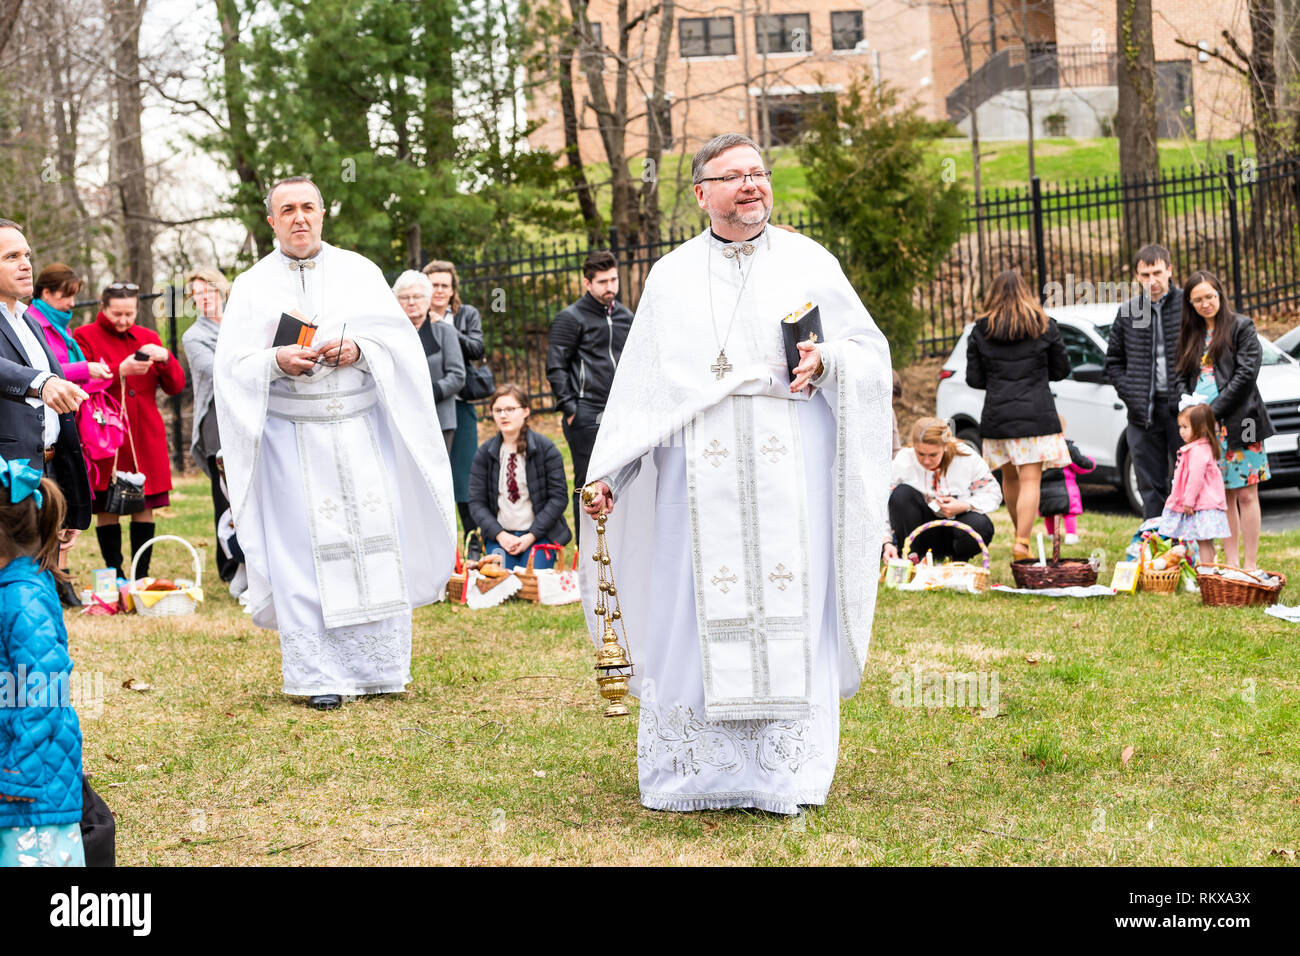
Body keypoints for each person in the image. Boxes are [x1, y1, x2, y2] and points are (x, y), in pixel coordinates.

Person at [581, 133, 892, 814]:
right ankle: (695, 773)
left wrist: (830, 361)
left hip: (793, 460)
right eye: (732, 177)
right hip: (696, 471)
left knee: (793, 601)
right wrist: (613, 471)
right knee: (691, 604)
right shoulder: (669, 276)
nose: (750, 185)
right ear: (701, 194)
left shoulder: (811, 261)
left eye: (758, 173)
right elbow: (642, 393)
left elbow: (870, 353)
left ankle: (785, 774)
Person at [215, 175, 455, 711]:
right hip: (288, 439)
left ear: (323, 213)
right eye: (287, 210)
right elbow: (229, 369)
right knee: (301, 550)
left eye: (308, 207)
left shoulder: (361, 272)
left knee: (376, 538)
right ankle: (316, 674)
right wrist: (274, 361)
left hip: (359, 434)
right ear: (271, 220)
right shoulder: (251, 286)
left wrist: (360, 349)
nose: (299, 218)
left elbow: (401, 349)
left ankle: (379, 667)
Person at [0, 221, 92, 601]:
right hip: (9, 480)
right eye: (11, 257)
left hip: (49, 476)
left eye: (27, 255)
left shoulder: (29, 320)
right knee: (13, 591)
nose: (26, 265)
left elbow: (56, 418)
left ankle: (33, 664)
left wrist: (66, 498)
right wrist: (42, 382)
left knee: (37, 594)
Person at [0, 461, 84, 867]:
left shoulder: (21, 599)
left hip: (33, 791)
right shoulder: (16, 588)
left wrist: (21, 771)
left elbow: (43, 689)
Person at [73, 282, 186, 580]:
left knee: (144, 503)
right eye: (116, 313)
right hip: (105, 433)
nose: (123, 320)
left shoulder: (148, 337)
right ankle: (115, 574)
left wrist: (164, 357)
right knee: (107, 504)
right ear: (103, 308)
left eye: (129, 313)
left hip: (145, 434)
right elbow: (81, 380)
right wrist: (118, 369)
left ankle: (140, 576)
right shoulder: (84, 336)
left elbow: (175, 385)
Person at [965, 270, 1071, 560]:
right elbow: (1062, 370)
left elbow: (973, 379)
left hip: (999, 415)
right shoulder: (1044, 325)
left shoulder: (980, 329)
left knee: (1009, 479)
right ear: (1026, 292)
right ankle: (1022, 542)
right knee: (1030, 480)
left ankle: (1018, 536)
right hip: (1037, 415)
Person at [1175, 269, 1273, 569]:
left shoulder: (1241, 326)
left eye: (1210, 297)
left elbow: (1246, 375)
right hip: (1205, 429)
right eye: (1198, 300)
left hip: (1242, 420)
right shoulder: (1190, 334)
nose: (1205, 304)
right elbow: (1180, 377)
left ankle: (1251, 564)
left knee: (1246, 492)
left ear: (1220, 294)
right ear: (1190, 304)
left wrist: (1212, 412)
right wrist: (1190, 413)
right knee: (1223, 495)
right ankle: (1230, 564)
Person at [27, 264, 108, 604]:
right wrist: (84, 368)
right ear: (46, 293)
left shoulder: (59, 326)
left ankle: (61, 578)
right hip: (36, 429)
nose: (71, 303)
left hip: (65, 426)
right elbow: (42, 373)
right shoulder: (34, 323)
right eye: (66, 295)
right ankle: (47, 582)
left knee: (62, 510)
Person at [546, 249, 634, 543]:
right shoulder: (570, 319)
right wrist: (572, 409)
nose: (610, 287)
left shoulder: (626, 316)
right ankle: (587, 551)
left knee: (622, 479)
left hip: (623, 413)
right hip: (586, 414)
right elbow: (555, 366)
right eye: (602, 282)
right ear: (587, 283)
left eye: (613, 279)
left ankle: (620, 544)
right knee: (588, 483)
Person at [1105, 244, 1185, 518]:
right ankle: (1157, 546)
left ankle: (1189, 547)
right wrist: (1131, 394)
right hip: (1143, 413)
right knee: (1150, 485)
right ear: (1137, 277)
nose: (1152, 280)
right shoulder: (1129, 311)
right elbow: (1113, 360)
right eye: (1145, 274)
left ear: (1170, 270)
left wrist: (1191, 394)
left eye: (1157, 272)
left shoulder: (1187, 305)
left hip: (1184, 410)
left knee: (1187, 482)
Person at [182, 267, 243, 586]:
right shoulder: (194, 336)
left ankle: (255, 560)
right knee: (225, 495)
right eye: (196, 295)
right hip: (216, 421)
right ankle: (231, 565)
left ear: (221, 291)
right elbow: (217, 370)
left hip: (247, 414)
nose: (203, 299)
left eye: (208, 291)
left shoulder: (241, 324)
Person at [468, 384, 571, 571]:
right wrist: (500, 535)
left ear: (525, 411)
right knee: (501, 580)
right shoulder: (485, 453)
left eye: (510, 409)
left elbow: (558, 498)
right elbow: (476, 503)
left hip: (537, 535)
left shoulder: (545, 449)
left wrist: (531, 536)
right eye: (497, 410)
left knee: (531, 580)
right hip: (501, 535)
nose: (503, 415)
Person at [422, 260, 486, 536]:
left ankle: (473, 540)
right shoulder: (412, 316)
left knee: (464, 477)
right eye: (433, 285)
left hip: (459, 404)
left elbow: (477, 348)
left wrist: (448, 329)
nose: (438, 291)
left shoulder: (465, 314)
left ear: (452, 290)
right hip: (427, 408)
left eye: (444, 286)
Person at [883, 417, 1001, 563]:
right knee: (901, 495)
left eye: (933, 455)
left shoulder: (967, 458)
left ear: (945, 446)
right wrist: (886, 541)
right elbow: (883, 505)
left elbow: (993, 493)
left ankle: (957, 561)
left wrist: (964, 505)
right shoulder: (904, 460)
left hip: (953, 529)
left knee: (981, 524)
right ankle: (913, 558)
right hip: (918, 530)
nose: (926, 461)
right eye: (920, 454)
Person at [392, 270, 464, 450]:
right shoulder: (391, 335)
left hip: (439, 418)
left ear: (427, 299)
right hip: (403, 419)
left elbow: (457, 375)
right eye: (404, 297)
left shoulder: (444, 332)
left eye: (417, 296)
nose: (411, 302)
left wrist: (430, 392)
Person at [1156, 396, 1229, 565]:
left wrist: (1188, 501)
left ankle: (1206, 571)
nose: (1181, 431)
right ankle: (1209, 570)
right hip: (1206, 503)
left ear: (1201, 428)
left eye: (1185, 427)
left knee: (1203, 541)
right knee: (1207, 542)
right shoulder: (1202, 448)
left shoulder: (1196, 451)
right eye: (1180, 426)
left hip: (1202, 504)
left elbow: (1195, 480)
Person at [1038, 416, 1095, 544]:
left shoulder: (1041, 449)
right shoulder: (1066, 447)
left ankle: (1052, 535)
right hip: (1066, 488)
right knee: (1069, 513)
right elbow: (1079, 465)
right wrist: (1091, 463)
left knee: (1049, 513)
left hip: (1045, 489)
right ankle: (1071, 535)